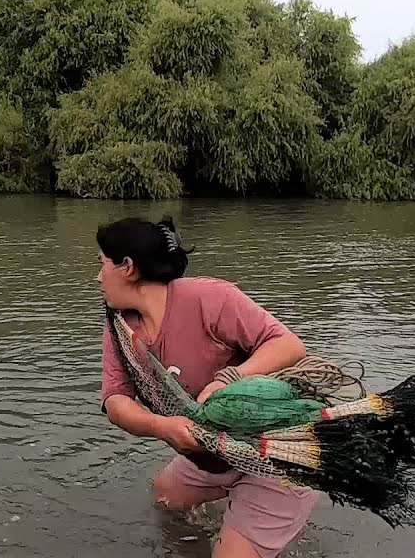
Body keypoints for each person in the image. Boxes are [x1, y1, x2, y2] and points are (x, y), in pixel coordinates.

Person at [96, 215, 318, 558]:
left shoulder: (210, 298)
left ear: (127, 267)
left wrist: (228, 380)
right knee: (166, 499)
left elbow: (289, 345)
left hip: (278, 450)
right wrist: (161, 426)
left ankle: (259, 521)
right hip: (215, 452)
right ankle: (239, 524)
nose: (98, 278)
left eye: (102, 264)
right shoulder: (122, 329)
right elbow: (115, 401)